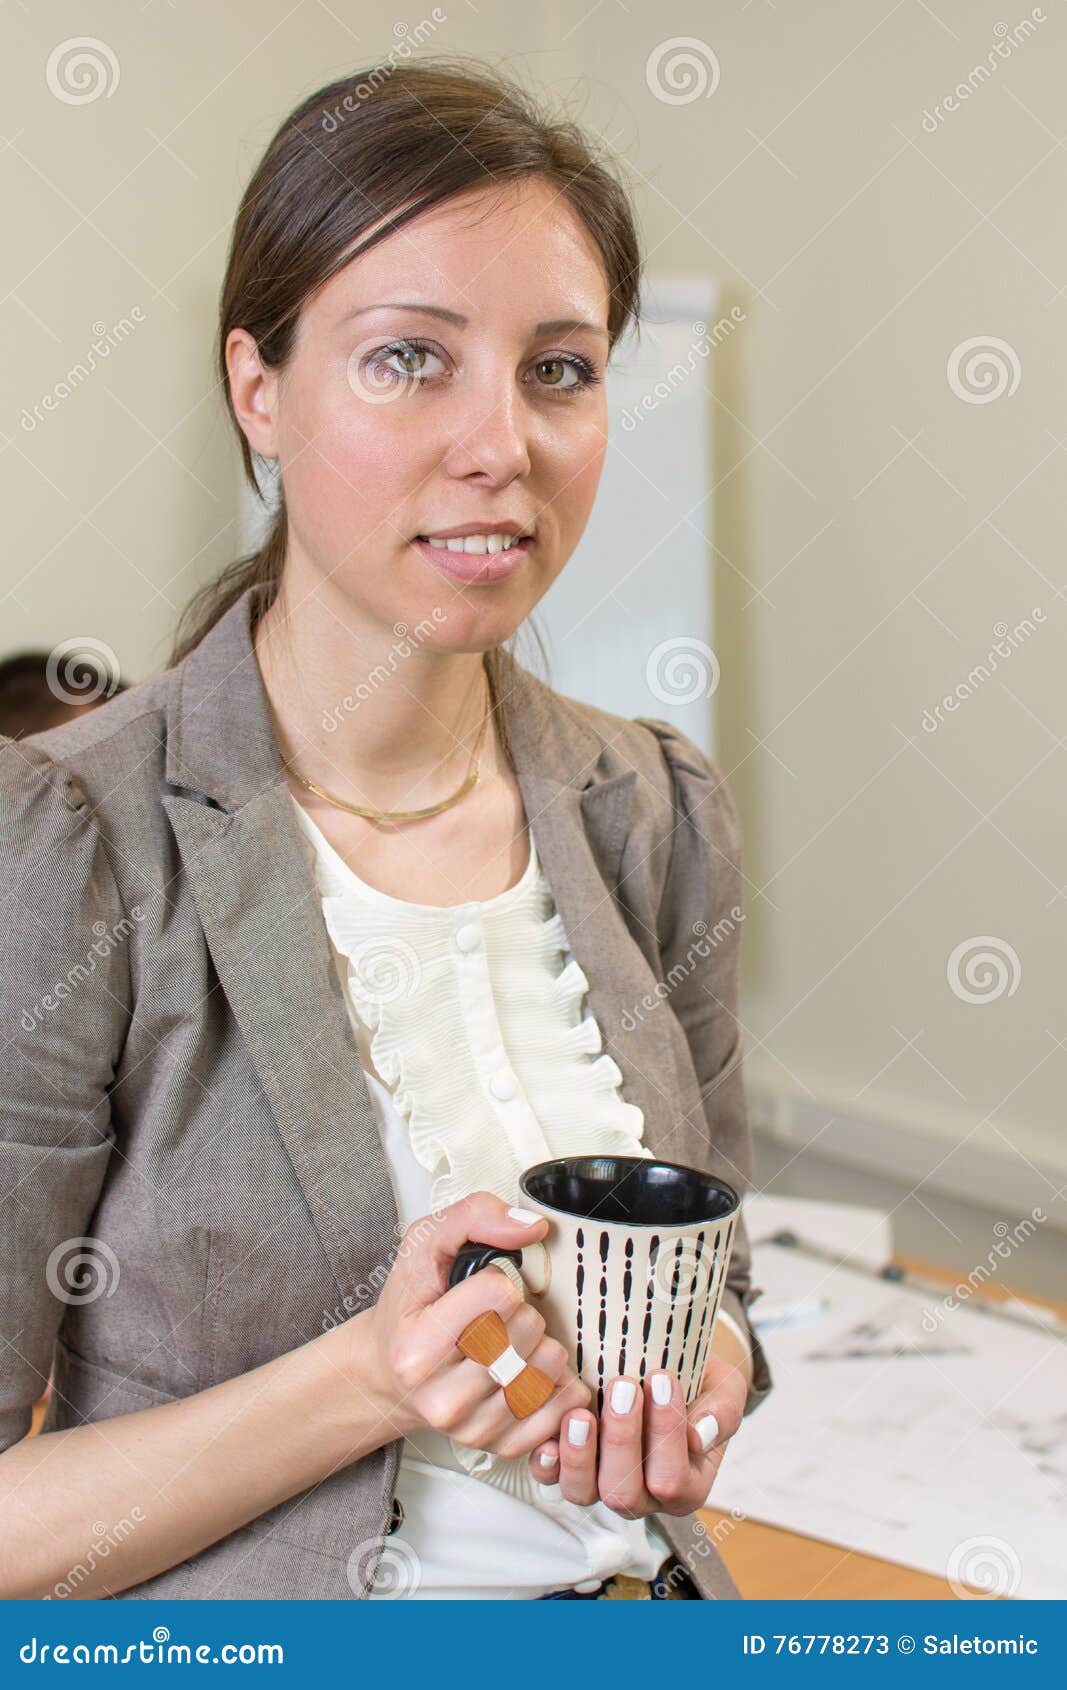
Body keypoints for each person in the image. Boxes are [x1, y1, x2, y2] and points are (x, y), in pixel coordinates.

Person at [0, 55, 770, 1602]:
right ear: (258, 389)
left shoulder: (657, 813)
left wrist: (707, 1380)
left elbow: (723, 1286)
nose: (503, 443)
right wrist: (370, 1376)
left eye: (559, 368)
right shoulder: (69, 838)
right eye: (410, 360)